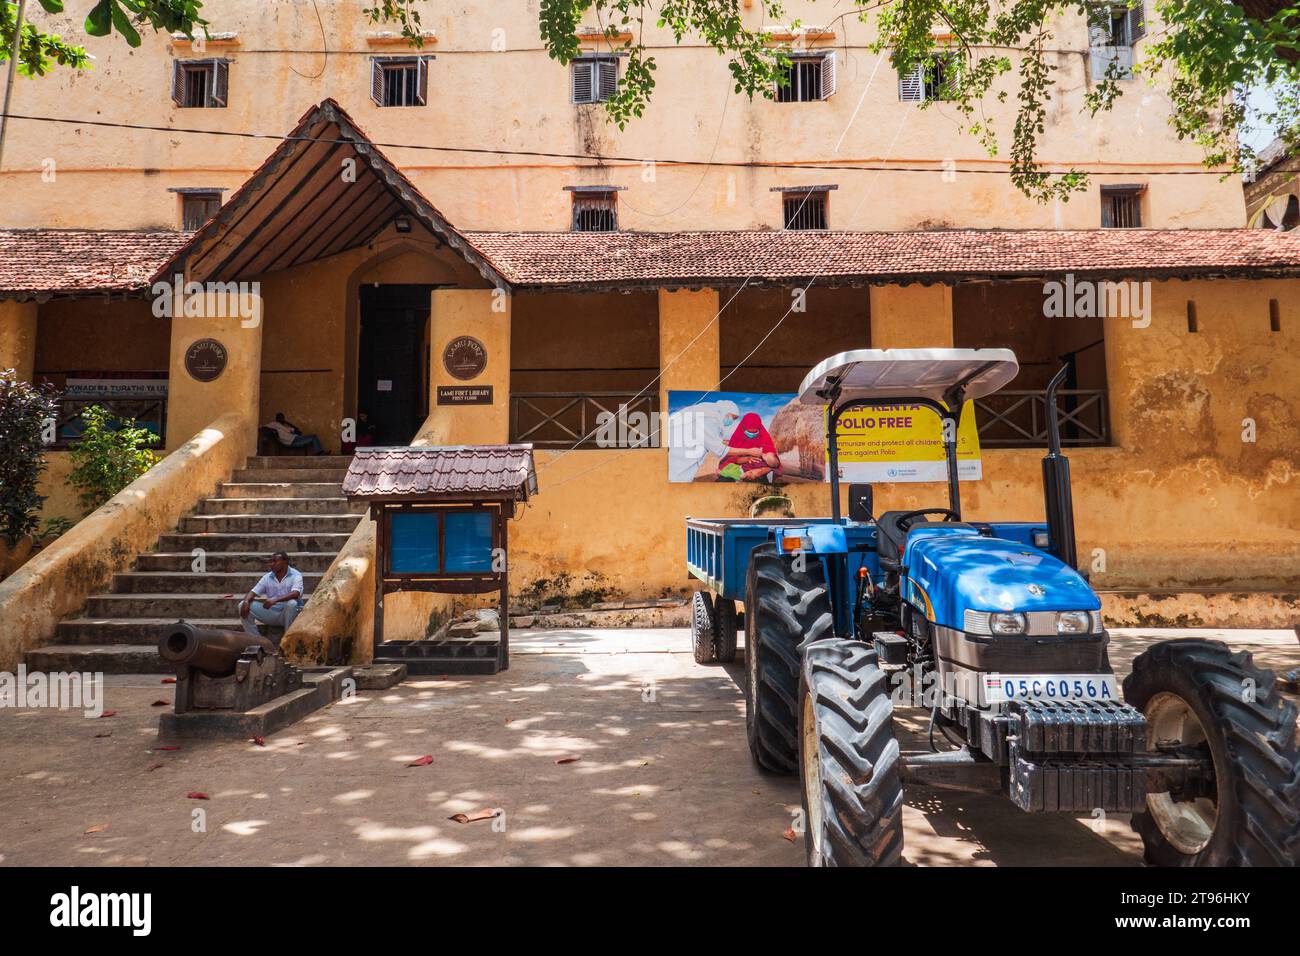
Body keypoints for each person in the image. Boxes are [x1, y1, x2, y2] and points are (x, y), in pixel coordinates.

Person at [666, 399, 740, 482]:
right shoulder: (710, 418)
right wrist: (749, 451)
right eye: (732, 417)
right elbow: (720, 450)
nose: (732, 421)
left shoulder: (704, 413)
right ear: (724, 411)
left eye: (735, 419)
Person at [239, 551, 304, 641]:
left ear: (285, 562)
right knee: (241, 605)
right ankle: (255, 642)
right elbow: (253, 592)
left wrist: (275, 600)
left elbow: (295, 594)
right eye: (271, 561)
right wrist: (246, 601)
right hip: (272, 612)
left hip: (291, 614)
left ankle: (288, 642)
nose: (271, 564)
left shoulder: (296, 575)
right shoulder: (267, 577)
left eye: (275, 561)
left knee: (291, 604)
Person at [717, 412, 781, 482]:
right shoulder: (737, 437)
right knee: (725, 479)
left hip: (758, 470)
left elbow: (774, 463)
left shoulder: (764, 437)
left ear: (759, 428)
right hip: (739, 467)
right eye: (749, 432)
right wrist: (747, 457)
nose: (752, 434)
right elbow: (729, 458)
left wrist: (760, 471)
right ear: (743, 427)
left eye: (755, 432)